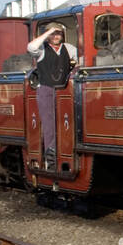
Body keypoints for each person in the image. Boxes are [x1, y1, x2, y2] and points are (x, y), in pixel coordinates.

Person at [27, 24, 78, 168]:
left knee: (66, 123)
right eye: (53, 34)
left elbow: (81, 59)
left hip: (65, 90)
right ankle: (51, 159)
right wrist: (49, 31)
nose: (56, 37)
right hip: (46, 89)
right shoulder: (42, 49)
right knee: (49, 124)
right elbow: (31, 47)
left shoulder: (69, 48)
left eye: (59, 34)